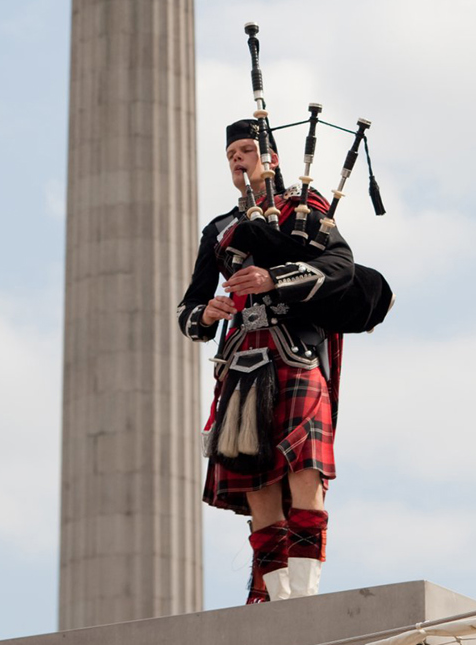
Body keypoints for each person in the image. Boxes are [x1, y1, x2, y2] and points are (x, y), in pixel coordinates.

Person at [177, 119, 363, 603]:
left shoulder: (305, 209)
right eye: (230, 154)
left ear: (271, 159)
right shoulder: (220, 229)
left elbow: (340, 266)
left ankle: (304, 594)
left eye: (245, 150)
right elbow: (187, 311)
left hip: (294, 352)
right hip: (241, 363)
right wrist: (208, 312)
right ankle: (278, 601)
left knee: (304, 472)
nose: (237, 159)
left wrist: (273, 279)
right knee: (257, 485)